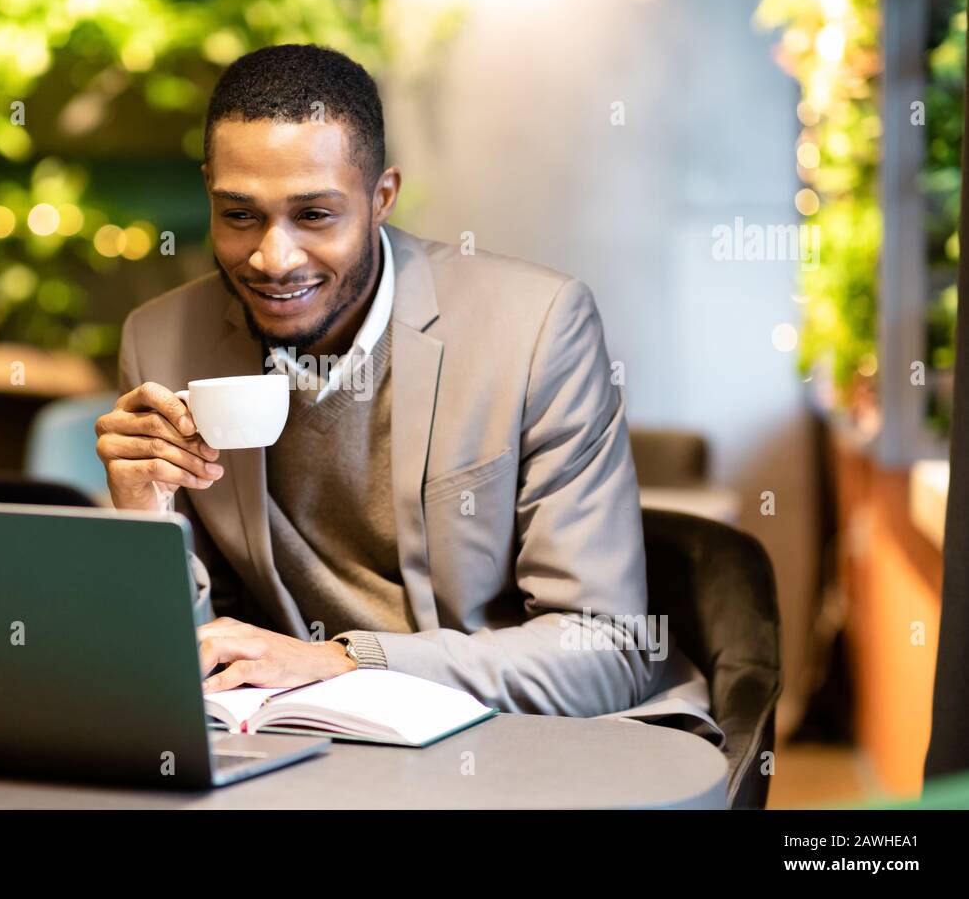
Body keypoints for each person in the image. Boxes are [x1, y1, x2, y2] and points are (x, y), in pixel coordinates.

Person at [94, 43, 697, 716]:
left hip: (510, 734)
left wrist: (347, 661)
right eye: (240, 216)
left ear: (382, 198)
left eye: (314, 216)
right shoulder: (159, 340)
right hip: (300, 743)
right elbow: (194, 654)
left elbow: (602, 649)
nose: (273, 257)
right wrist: (147, 523)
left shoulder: (536, 329)